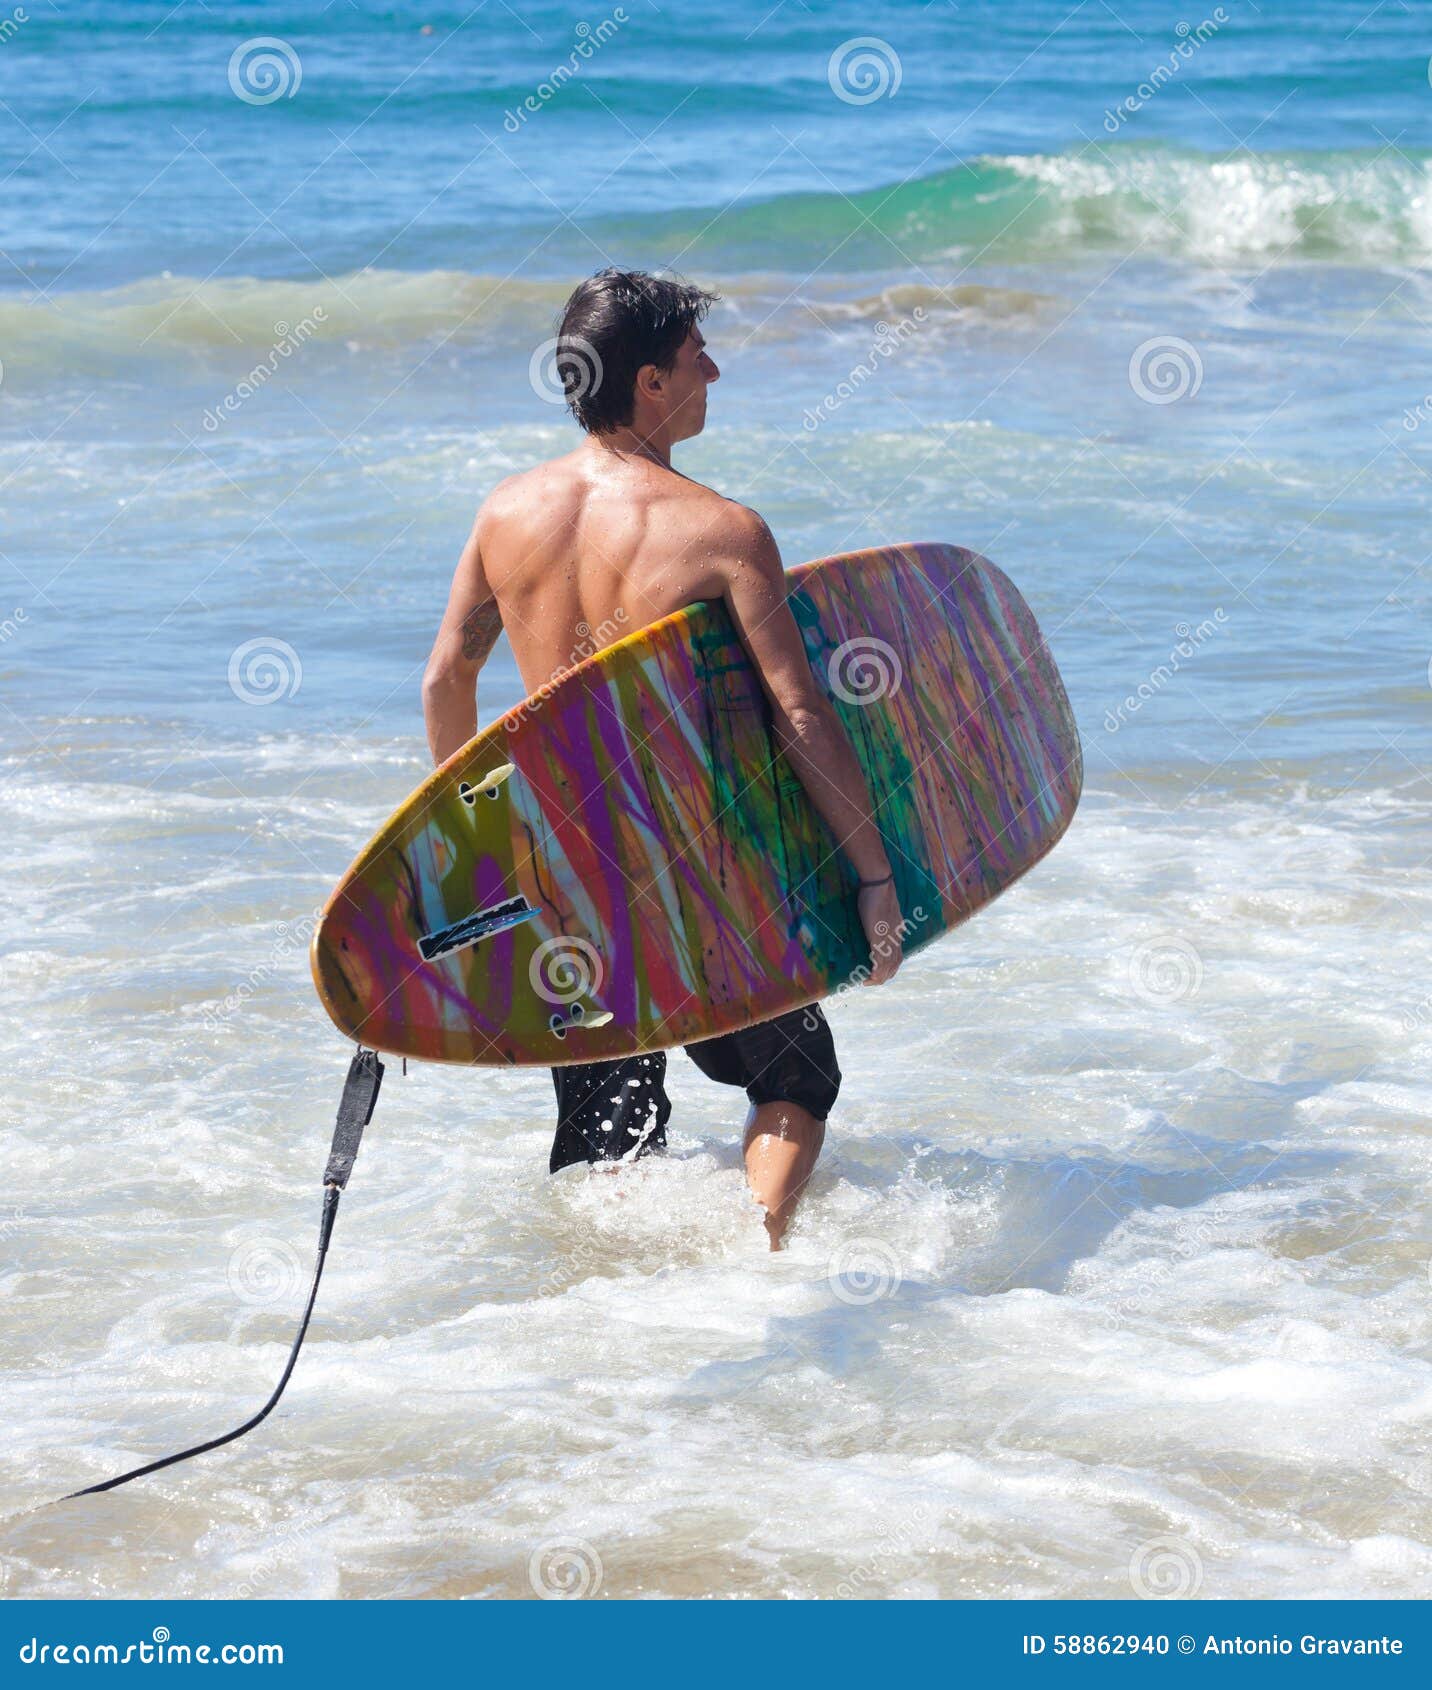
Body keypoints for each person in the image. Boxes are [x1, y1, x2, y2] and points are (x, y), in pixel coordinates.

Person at [421, 268, 903, 1247]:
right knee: (796, 1076)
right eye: (695, 357)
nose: (714, 371)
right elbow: (799, 717)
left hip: (565, 876)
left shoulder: (505, 513)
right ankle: (756, 1261)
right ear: (648, 380)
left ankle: (613, 1339)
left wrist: (478, 857)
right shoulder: (723, 532)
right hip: (702, 879)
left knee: (604, 1132)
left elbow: (445, 684)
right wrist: (874, 876)